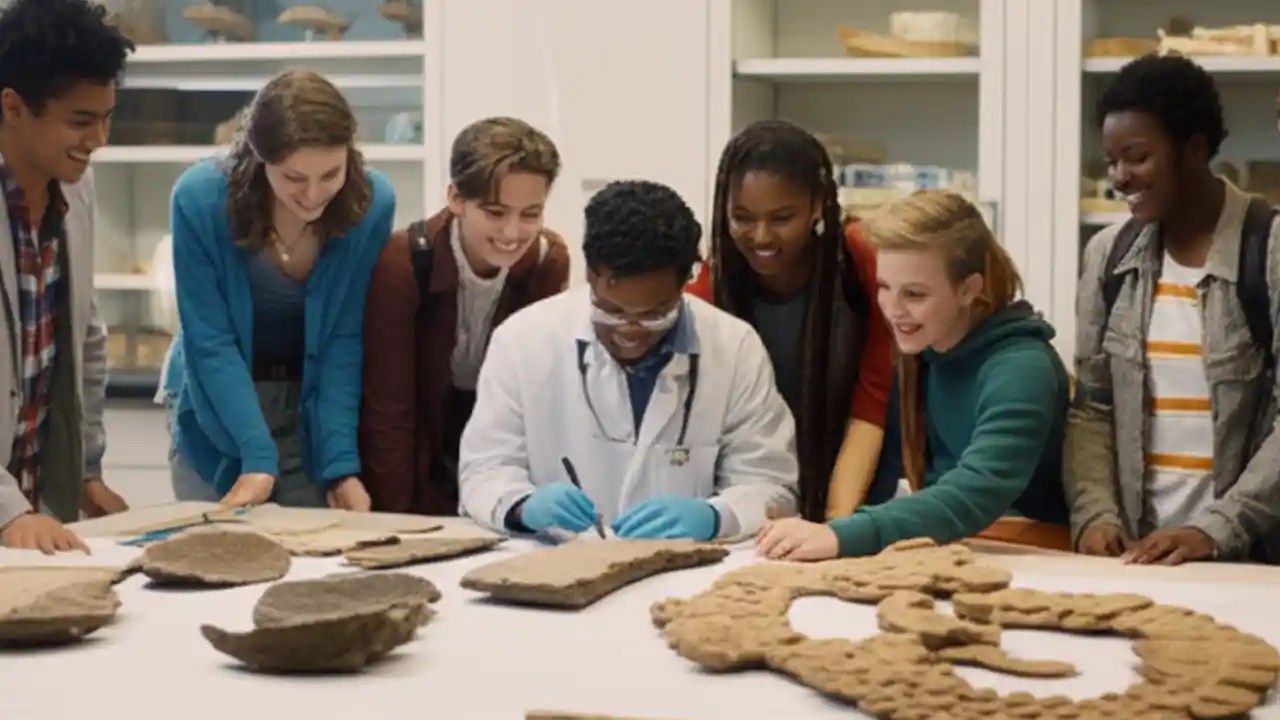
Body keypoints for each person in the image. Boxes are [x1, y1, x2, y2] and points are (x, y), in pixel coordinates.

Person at [459, 180, 798, 540]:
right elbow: (484, 471)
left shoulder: (734, 348)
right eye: (612, 311)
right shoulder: (523, 341)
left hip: (686, 574)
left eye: (655, 314)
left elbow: (770, 484)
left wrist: (716, 517)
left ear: (686, 282)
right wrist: (523, 507)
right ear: (590, 273)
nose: (631, 331)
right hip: (558, 564)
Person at [755, 190, 1070, 560]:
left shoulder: (1021, 368)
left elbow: (975, 490)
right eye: (884, 288)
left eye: (916, 294)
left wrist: (843, 535)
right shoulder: (920, 353)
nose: (893, 310)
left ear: (969, 289)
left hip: (1035, 554)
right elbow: (888, 475)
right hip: (958, 544)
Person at [1067, 54, 1280, 565]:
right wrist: (1096, 516)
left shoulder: (1268, 247)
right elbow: (1092, 407)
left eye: (1137, 158)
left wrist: (1213, 530)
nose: (1120, 176)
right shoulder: (1108, 256)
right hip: (1138, 559)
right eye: (1111, 161)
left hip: (1248, 560)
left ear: (1194, 149)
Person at [160, 68, 396, 511]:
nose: (312, 196)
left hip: (309, 406)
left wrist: (340, 465)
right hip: (215, 401)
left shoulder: (372, 204)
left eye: (330, 174)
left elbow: (342, 342)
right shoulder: (200, 199)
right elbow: (211, 342)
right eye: (293, 178)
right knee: (221, 553)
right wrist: (256, 456)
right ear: (259, 158)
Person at [360, 117, 568, 515]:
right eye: (495, 212)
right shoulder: (402, 263)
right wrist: (395, 521)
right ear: (456, 199)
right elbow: (389, 410)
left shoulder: (547, 262)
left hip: (494, 438)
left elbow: (537, 398)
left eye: (530, 214)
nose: (513, 232)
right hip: (418, 439)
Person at [687, 119, 893, 521]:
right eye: (742, 218)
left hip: (858, 475)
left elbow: (873, 404)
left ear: (817, 205)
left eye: (782, 218)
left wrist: (836, 522)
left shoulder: (859, 264)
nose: (761, 237)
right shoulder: (715, 283)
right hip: (751, 488)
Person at [0, 0, 133, 552]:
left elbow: (86, 338)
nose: (99, 138)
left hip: (31, 509)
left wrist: (86, 470)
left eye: (107, 117)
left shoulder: (76, 185)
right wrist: (8, 512)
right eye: (80, 121)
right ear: (12, 107)